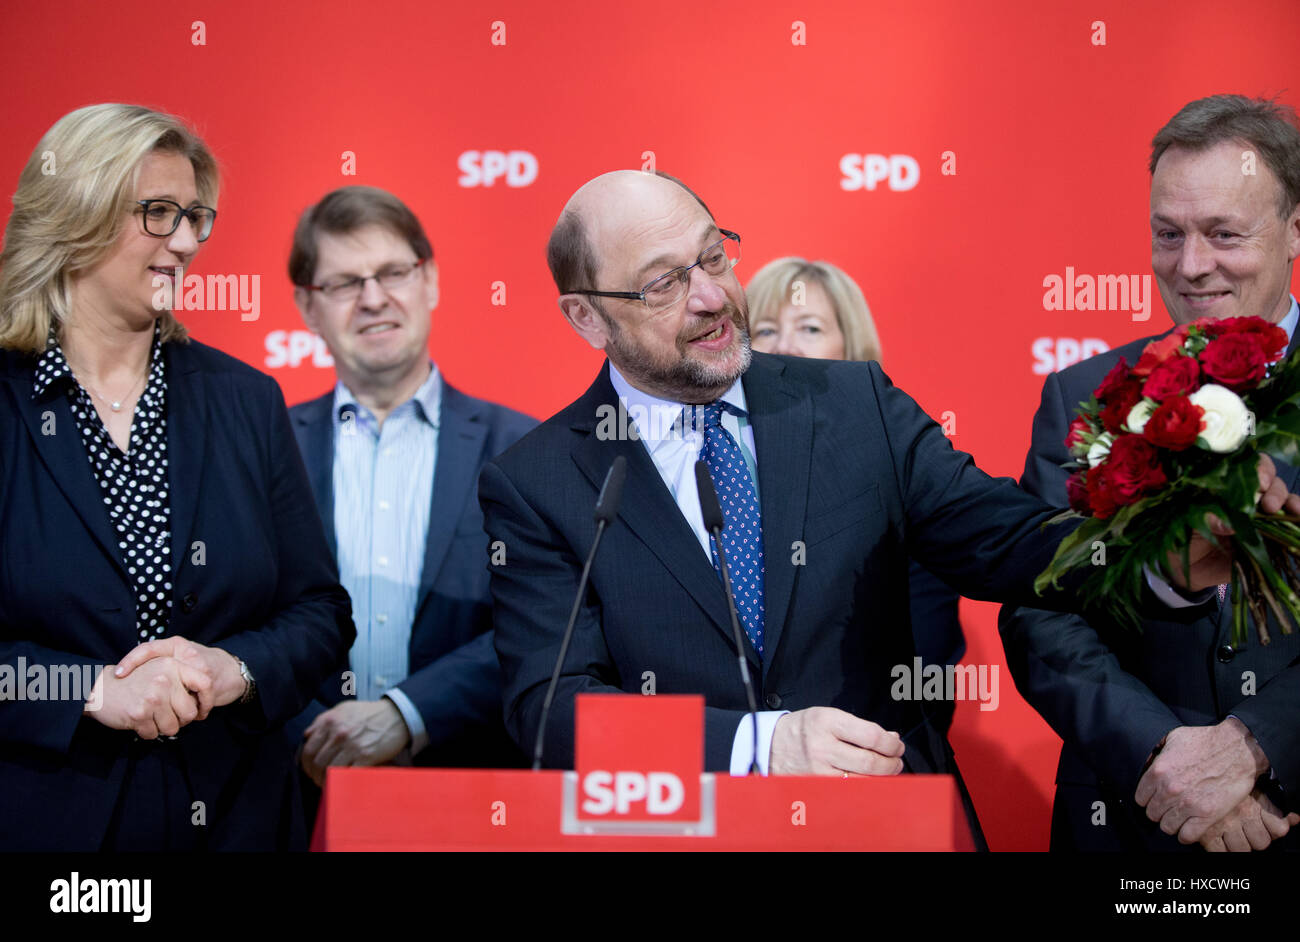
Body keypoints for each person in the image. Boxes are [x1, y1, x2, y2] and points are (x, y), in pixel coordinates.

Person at [477, 169, 1282, 847]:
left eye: (714, 256)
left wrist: (1155, 555)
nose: (712, 297)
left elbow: (1002, 536)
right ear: (585, 316)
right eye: (663, 283)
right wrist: (757, 746)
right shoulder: (540, 480)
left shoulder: (851, 403)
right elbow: (551, 710)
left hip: (885, 823)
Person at [0, 103, 353, 851]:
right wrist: (89, 689)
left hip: (238, 821)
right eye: (159, 213)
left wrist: (235, 668)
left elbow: (320, 614)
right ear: (75, 213)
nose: (188, 242)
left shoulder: (245, 399)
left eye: (196, 217)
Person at [1000, 94, 1300, 853]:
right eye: (1169, 234)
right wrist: (1164, 754)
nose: (1192, 265)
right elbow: (1044, 613)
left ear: (1296, 228)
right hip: (1132, 822)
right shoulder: (1084, 396)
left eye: (1224, 234)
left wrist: (1260, 743)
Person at [285, 185, 534, 801]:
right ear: (307, 308)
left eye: (393, 272)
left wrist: (408, 713)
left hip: (471, 798)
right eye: (344, 283)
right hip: (296, 798)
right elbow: (233, 621)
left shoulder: (524, 450)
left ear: (431, 282)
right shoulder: (266, 450)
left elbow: (542, 625)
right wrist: (314, 737)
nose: (373, 299)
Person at [746, 257, 966, 733]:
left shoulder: (901, 467)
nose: (785, 346)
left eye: (809, 328)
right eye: (764, 330)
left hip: (872, 759)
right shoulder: (716, 473)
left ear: (851, 345)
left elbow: (928, 655)